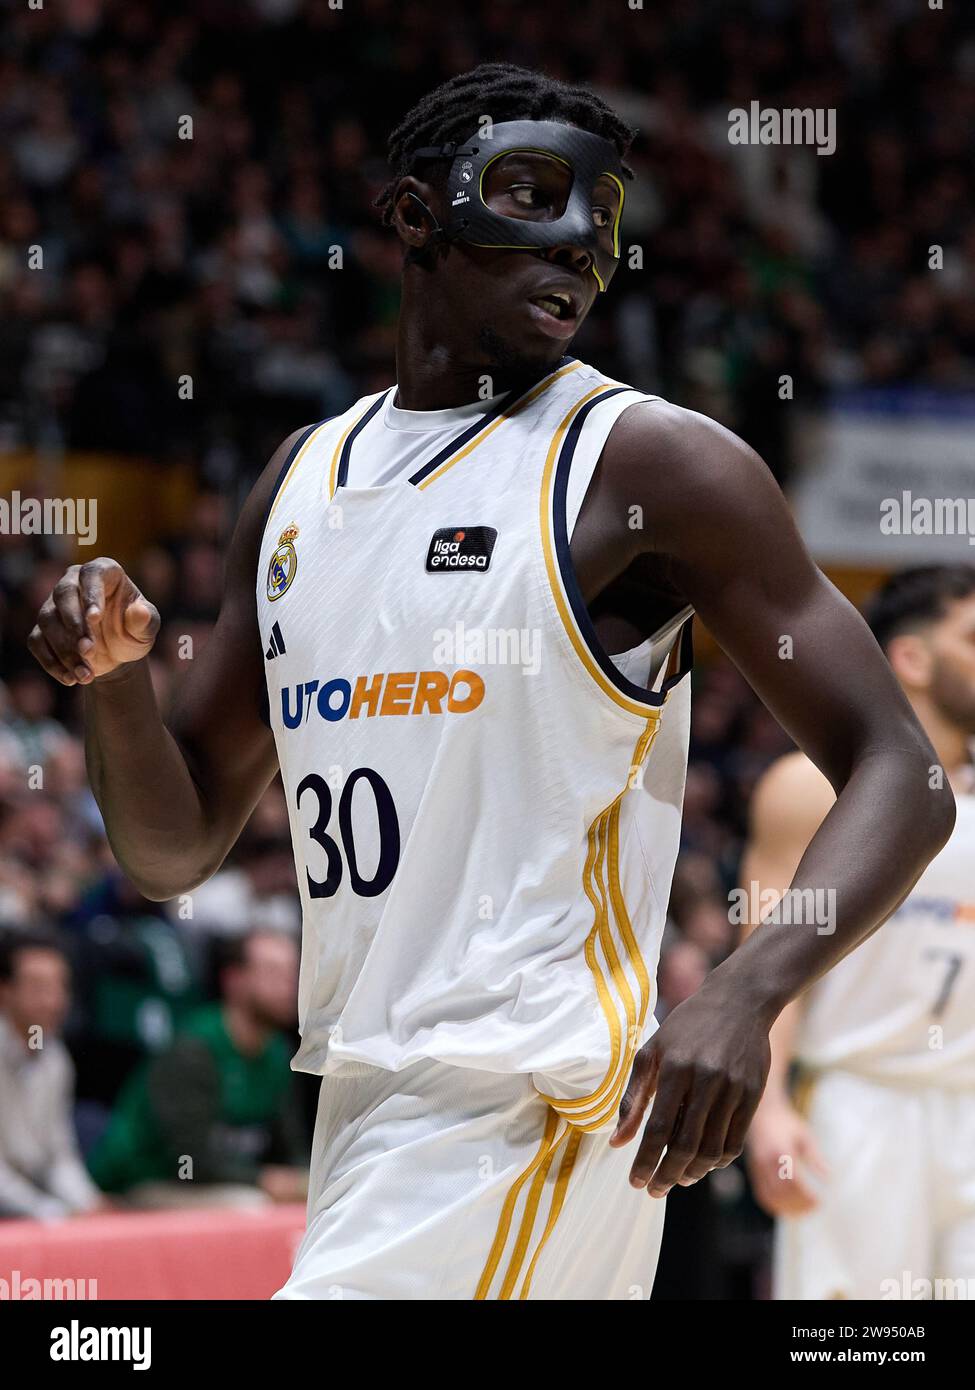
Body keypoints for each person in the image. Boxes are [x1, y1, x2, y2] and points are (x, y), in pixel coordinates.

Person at [28, 65, 953, 1299]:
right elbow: (173, 846)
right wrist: (115, 682)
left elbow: (906, 771)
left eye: (607, 216)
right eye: (534, 192)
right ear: (417, 215)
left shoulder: (647, 464)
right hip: (364, 1095)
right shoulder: (301, 483)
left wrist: (746, 992)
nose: (580, 240)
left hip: (532, 1093)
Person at [743, 566, 975, 1299]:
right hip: (858, 1106)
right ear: (911, 658)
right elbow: (763, 964)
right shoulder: (811, 787)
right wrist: (766, 1109)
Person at [87, 929, 308, 1208]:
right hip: (144, 1184)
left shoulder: (277, 1052)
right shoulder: (194, 1049)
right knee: (249, 1205)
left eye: (292, 973)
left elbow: (291, 1147)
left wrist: (304, 1180)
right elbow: (190, 1161)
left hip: (224, 1182)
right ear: (234, 980)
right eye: (273, 972)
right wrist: (264, 1179)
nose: (289, 986)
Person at [0, 929, 105, 1220]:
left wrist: (89, 1203)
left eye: (60, 987)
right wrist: (52, 1213)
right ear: (5, 991)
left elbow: (59, 1156)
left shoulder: (56, 1059)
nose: (54, 1001)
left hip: (31, 1206)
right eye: (38, 987)